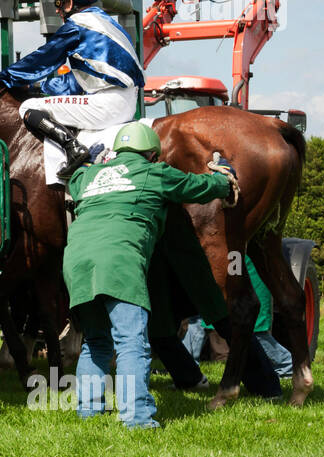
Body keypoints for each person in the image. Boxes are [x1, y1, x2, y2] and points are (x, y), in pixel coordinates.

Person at [63, 122, 236, 428]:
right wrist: (224, 176)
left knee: (96, 341)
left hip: (76, 264)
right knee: (132, 342)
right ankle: (137, 418)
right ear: (152, 155)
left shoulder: (87, 176)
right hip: (119, 262)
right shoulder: (154, 173)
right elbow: (201, 188)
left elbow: (74, 178)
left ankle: (88, 412)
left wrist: (89, 162)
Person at [0, 0, 145, 181]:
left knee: (29, 107)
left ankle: (73, 149)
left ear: (71, 3)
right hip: (125, 102)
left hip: (107, 104)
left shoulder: (77, 25)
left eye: (59, 3)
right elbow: (79, 80)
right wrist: (37, 87)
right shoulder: (107, 22)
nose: (57, 10)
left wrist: (4, 77)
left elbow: (44, 58)